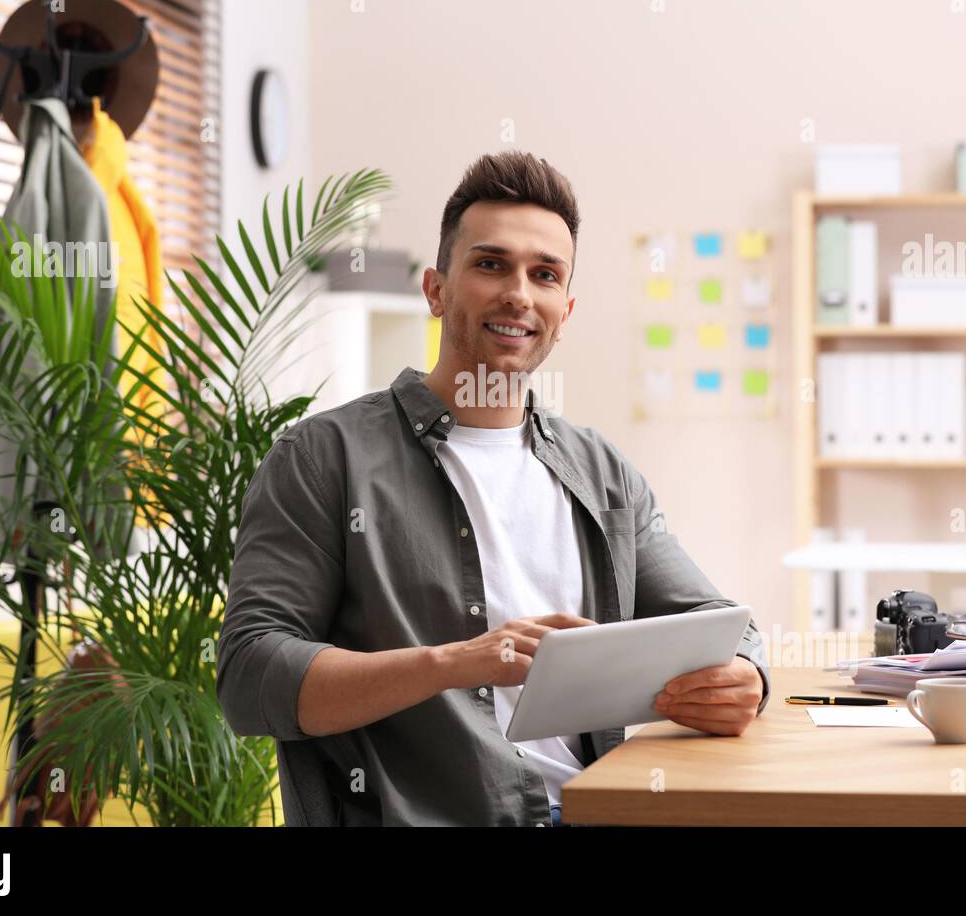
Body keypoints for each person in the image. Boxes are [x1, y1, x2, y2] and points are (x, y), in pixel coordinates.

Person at [217, 150, 770, 826]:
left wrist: (748, 675)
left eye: (544, 275)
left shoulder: (604, 475)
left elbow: (716, 621)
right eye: (490, 264)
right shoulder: (321, 458)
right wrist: (455, 663)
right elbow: (250, 676)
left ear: (564, 310)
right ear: (435, 290)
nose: (518, 293)